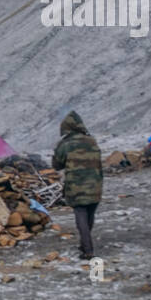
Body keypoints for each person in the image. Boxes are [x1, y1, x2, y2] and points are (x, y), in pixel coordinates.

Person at [52, 111, 103, 259]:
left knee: (80, 214)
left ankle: (88, 250)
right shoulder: (91, 141)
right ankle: (84, 244)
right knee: (90, 214)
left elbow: (56, 165)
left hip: (76, 187)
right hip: (95, 184)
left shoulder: (65, 144)